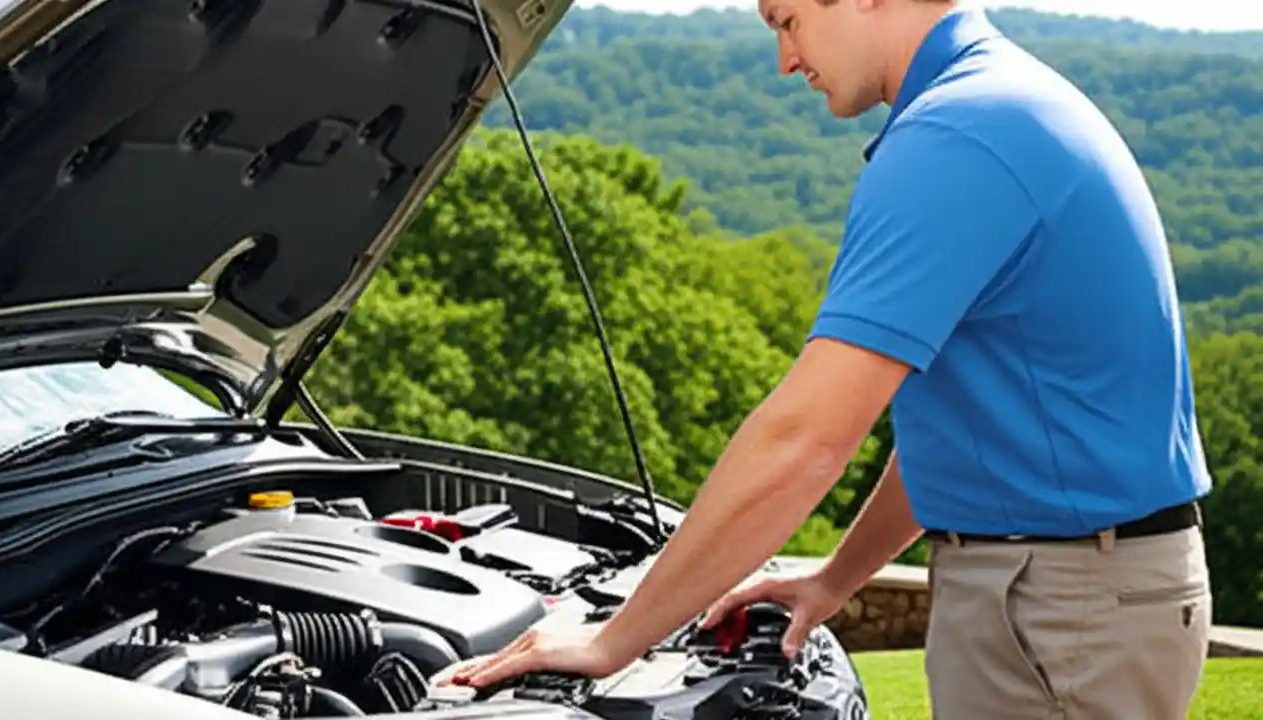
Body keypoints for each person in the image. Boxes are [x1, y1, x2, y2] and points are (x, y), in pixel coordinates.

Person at [440, 0, 1214, 717]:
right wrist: (837, 578)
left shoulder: (959, 137)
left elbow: (806, 439)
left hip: (1067, 599)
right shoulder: (997, 105)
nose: (785, 59)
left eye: (788, 20)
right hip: (1058, 582)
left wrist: (614, 640)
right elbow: (975, 431)